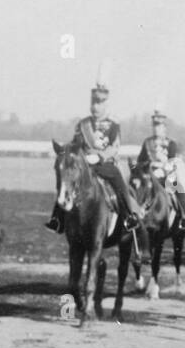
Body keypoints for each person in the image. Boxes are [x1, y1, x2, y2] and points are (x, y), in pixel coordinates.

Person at [46, 79, 143, 233]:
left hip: (105, 164)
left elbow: (115, 146)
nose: (95, 107)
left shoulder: (113, 124)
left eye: (99, 103)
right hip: (84, 165)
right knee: (66, 179)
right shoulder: (83, 124)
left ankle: (128, 216)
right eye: (94, 103)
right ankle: (57, 218)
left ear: (105, 105)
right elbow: (75, 144)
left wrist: (100, 157)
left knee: (118, 179)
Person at [136, 109, 185, 231]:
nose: (156, 129)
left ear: (164, 128)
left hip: (167, 176)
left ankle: (184, 217)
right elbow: (140, 160)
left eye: (159, 126)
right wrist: (145, 168)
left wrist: (163, 170)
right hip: (150, 176)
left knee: (179, 190)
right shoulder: (147, 142)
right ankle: (134, 216)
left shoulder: (171, 143)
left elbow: (172, 163)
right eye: (154, 126)